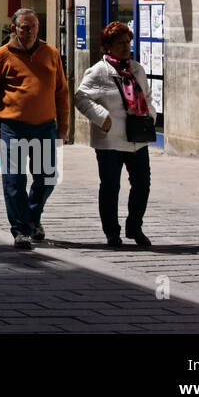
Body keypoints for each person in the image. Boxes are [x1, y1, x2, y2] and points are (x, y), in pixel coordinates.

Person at [0, 8, 70, 250]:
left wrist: (63, 127)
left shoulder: (51, 53)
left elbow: (61, 92)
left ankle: (31, 217)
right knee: (14, 180)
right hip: (12, 127)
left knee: (47, 178)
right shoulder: (2, 55)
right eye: (24, 27)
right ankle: (21, 231)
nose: (29, 32)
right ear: (14, 29)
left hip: (45, 127)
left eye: (33, 27)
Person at [74, 21, 157, 247]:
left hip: (137, 138)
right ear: (107, 47)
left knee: (142, 184)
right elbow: (80, 97)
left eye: (128, 42)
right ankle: (112, 231)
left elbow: (148, 97)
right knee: (111, 187)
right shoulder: (98, 72)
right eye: (120, 43)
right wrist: (102, 117)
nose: (125, 47)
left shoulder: (137, 69)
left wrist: (150, 116)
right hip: (110, 140)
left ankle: (135, 227)